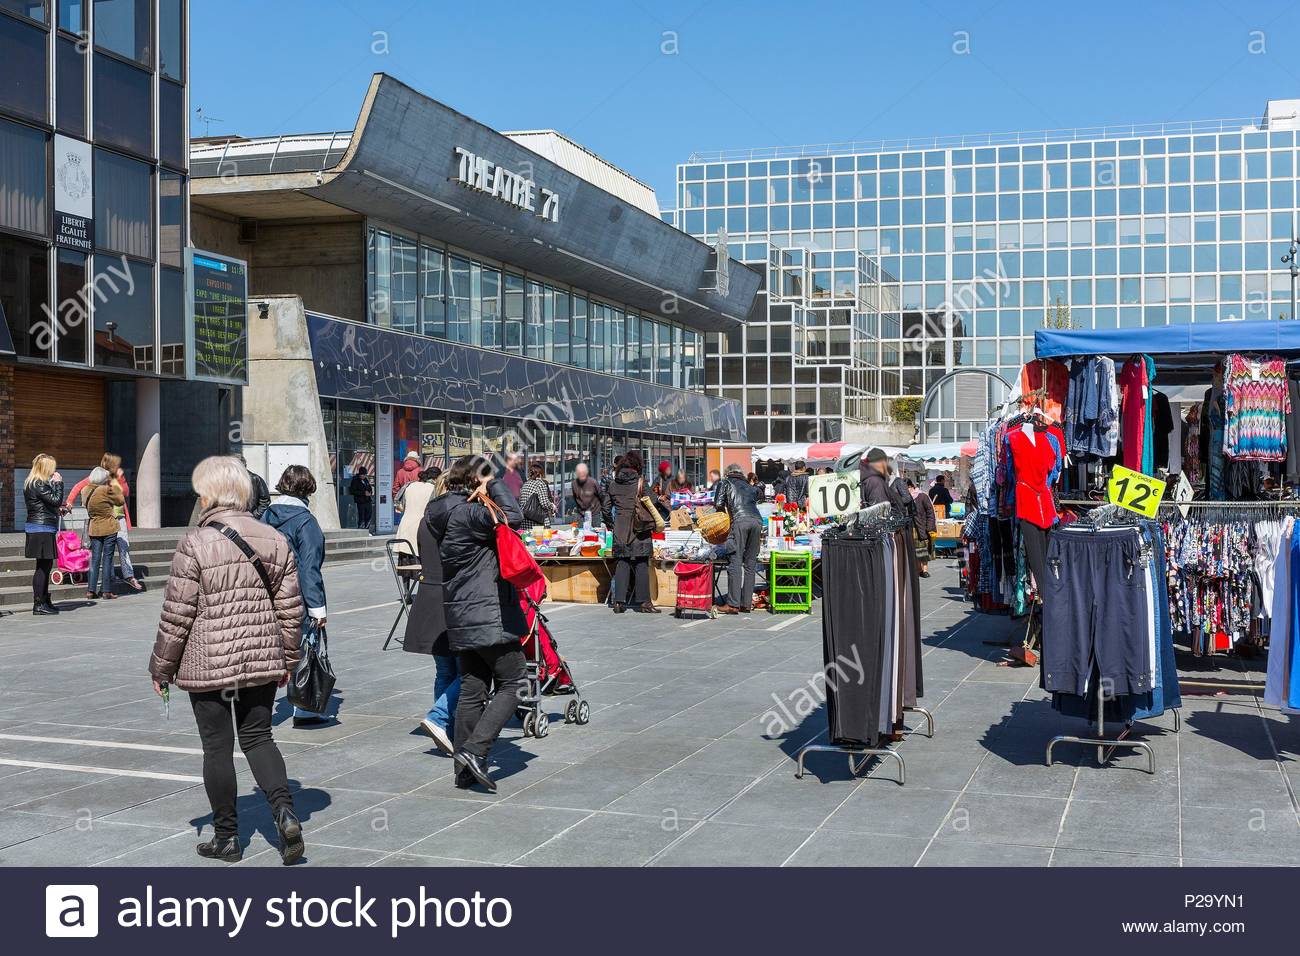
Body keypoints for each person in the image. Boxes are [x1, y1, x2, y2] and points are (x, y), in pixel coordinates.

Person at [149, 455, 305, 864]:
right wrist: (288, 659)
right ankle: (285, 812)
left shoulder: (196, 541)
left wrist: (162, 667)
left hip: (209, 660)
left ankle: (227, 838)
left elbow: (177, 613)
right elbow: (291, 609)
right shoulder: (274, 537)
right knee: (259, 738)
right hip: (260, 656)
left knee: (217, 748)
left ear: (210, 493)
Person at [426, 455, 527, 791]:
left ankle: (463, 769)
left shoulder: (440, 513)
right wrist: (494, 484)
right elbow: (514, 518)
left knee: (473, 687)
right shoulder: (469, 514)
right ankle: (475, 750)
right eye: (486, 476)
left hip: (462, 614)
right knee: (515, 681)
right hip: (489, 613)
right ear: (475, 480)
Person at [262, 466, 331, 728]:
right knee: (304, 646)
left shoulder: (265, 517)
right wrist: (318, 608)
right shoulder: (306, 521)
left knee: (268, 650)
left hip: (266, 594)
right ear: (308, 489)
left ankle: (260, 709)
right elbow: (309, 567)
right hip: (296, 596)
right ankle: (303, 708)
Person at [404, 476, 458, 758]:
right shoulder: (457, 519)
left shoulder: (426, 519)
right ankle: (441, 718)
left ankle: (444, 725)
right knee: (470, 670)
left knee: (445, 670)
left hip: (429, 597)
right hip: (454, 598)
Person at [66, 453, 143, 592]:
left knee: (123, 546)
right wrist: (69, 502)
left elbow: (125, 492)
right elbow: (78, 486)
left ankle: (129, 575)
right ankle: (110, 577)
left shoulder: (117, 477)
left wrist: (121, 478)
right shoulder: (99, 477)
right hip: (105, 520)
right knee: (108, 550)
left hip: (118, 518)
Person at [601, 450, 660, 614]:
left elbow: (605, 508)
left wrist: (611, 524)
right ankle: (644, 603)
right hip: (639, 528)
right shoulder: (641, 483)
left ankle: (619, 602)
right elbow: (653, 502)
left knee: (622, 563)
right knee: (641, 563)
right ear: (638, 466)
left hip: (620, 527)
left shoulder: (614, 484)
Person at [713, 463, 764, 614]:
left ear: (727, 472)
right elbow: (759, 495)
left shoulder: (725, 482)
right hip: (757, 521)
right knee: (750, 564)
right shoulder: (748, 485)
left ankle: (733, 604)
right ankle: (746, 604)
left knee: (735, 561)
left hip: (739, 521)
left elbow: (718, 504)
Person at [23, 454, 66, 616]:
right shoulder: (39, 483)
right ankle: (39, 604)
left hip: (38, 527)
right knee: (43, 567)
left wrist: (57, 510)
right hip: (42, 528)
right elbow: (55, 500)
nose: (54, 471)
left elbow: (46, 504)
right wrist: (59, 483)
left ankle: (44, 600)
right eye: (52, 467)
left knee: (45, 566)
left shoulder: (31, 483)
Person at [83, 466, 124, 601]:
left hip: (94, 527)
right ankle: (106, 591)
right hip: (109, 527)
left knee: (94, 559)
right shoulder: (107, 490)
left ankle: (90, 590)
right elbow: (120, 501)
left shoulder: (85, 490)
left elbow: (85, 505)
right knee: (107, 559)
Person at [395, 466, 441, 557]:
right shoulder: (434, 489)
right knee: (421, 563)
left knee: (406, 562)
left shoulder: (409, 485)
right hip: (423, 528)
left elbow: (399, 504)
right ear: (436, 478)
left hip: (405, 528)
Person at [907, 478, 936, 578]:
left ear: (911, 487)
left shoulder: (922, 496)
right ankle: (918, 569)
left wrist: (930, 527)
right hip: (911, 527)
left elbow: (930, 512)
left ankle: (924, 570)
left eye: (907, 488)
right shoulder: (905, 499)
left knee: (923, 550)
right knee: (914, 550)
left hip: (922, 527)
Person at [518, 461, 557, 525]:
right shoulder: (540, 484)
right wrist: (552, 506)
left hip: (525, 521)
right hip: (538, 523)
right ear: (540, 473)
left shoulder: (525, 484)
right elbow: (544, 503)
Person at [235, 454, 272, 519]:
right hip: (232, 519)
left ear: (244, 466)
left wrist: (255, 515)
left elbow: (265, 501)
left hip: (250, 519)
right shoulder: (227, 480)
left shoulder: (255, 479)